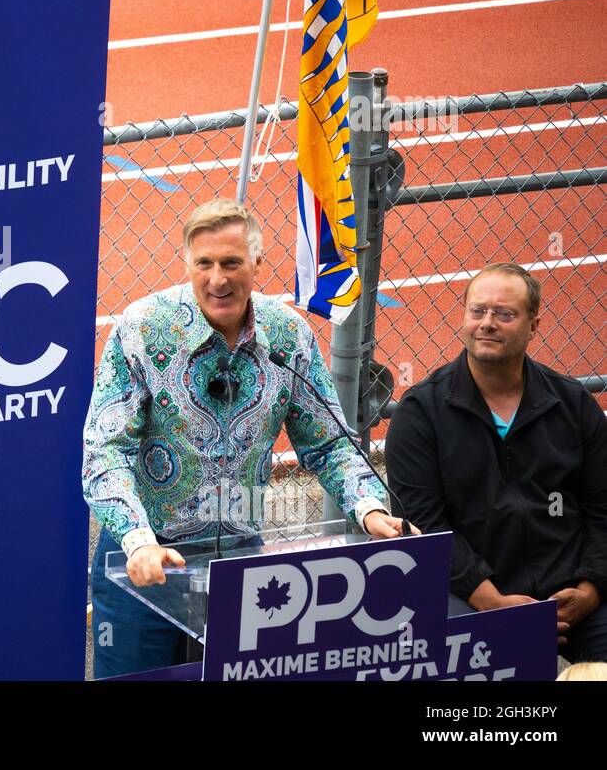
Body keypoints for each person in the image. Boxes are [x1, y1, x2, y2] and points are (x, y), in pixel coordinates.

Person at [82, 198, 402, 679]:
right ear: (187, 262)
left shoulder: (288, 335)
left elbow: (329, 443)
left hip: (238, 563)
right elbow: (105, 451)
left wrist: (370, 507)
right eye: (204, 264)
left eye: (231, 263)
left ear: (256, 262)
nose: (218, 280)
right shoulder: (142, 329)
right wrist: (138, 540)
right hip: (143, 564)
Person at [386, 262, 607, 663]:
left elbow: (602, 507)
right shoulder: (420, 413)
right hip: (471, 596)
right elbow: (425, 525)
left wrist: (592, 587)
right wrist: (488, 599)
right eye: (478, 311)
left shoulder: (572, 404)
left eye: (504, 314)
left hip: (574, 598)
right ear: (464, 316)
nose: (487, 323)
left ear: (533, 324)